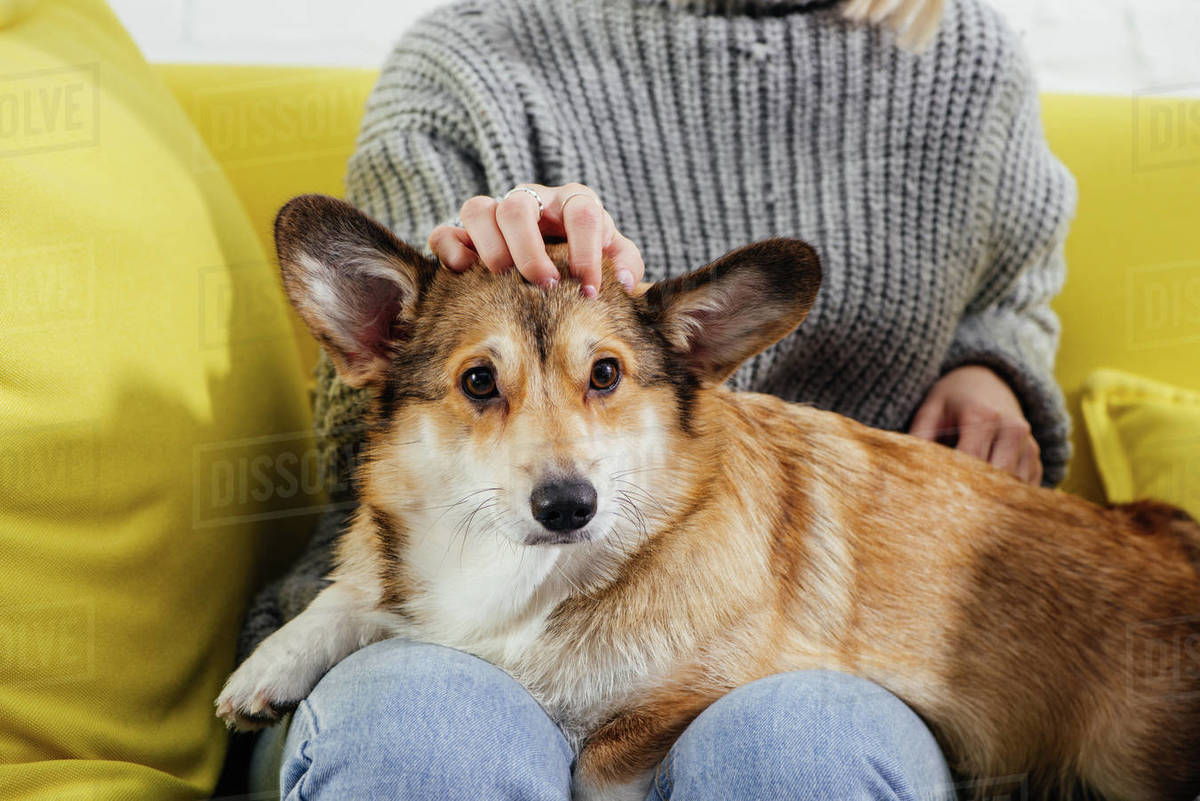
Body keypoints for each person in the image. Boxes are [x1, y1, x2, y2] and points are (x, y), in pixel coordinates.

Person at [242, 0, 1076, 797]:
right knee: (420, 741)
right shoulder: (466, 55)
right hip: (429, 611)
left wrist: (992, 364)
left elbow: (1012, 289)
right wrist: (478, 257)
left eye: (602, 375)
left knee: (804, 753)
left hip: (807, 630)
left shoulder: (961, 53)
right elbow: (379, 398)